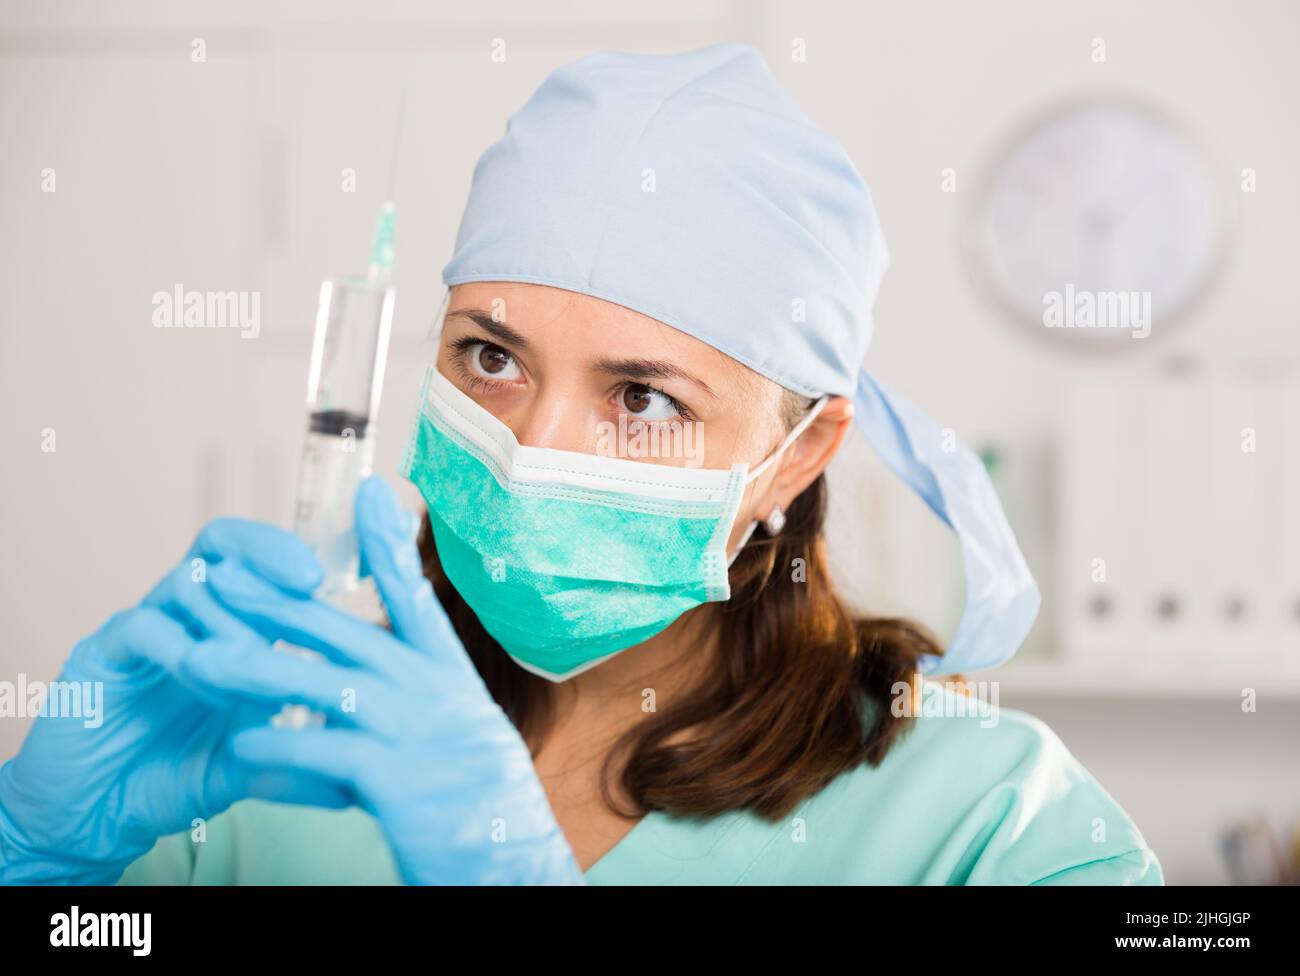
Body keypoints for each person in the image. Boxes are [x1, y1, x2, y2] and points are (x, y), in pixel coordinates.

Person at [0, 43, 1161, 885]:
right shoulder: (263, 750)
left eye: (643, 396)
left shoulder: (994, 829)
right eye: (490, 356)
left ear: (792, 456)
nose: (533, 448)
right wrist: (39, 862)